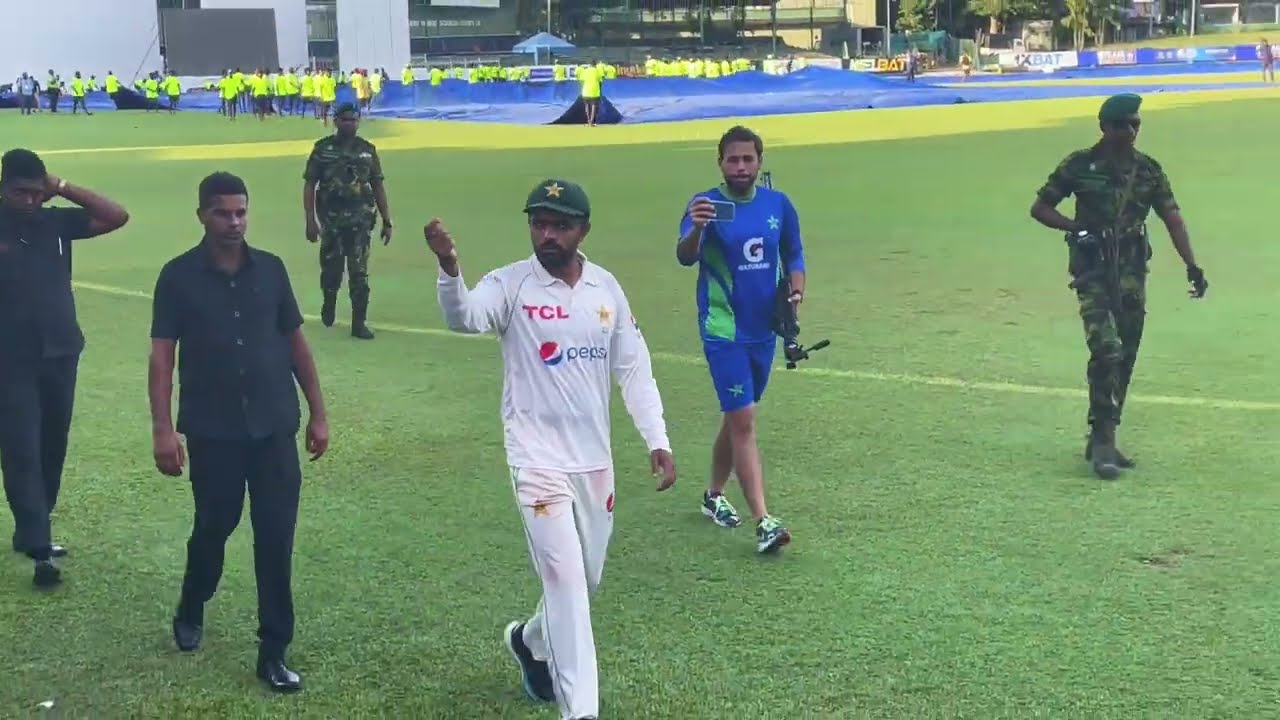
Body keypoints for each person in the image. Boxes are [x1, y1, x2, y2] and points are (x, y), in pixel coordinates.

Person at [426, 178, 676, 720]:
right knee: (564, 585)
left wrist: (656, 437)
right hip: (536, 460)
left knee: (585, 580)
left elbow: (632, 366)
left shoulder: (605, 288)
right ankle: (581, 710)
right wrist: (449, 269)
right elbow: (464, 316)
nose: (547, 234)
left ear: (583, 230)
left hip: (594, 462)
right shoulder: (511, 284)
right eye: (538, 223)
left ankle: (530, 641)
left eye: (559, 225)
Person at [148, 172, 329, 692]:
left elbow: (296, 345)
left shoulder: (270, 270)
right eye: (223, 213)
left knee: (275, 538)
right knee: (215, 526)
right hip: (213, 432)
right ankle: (192, 599)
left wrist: (318, 411)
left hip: (274, 428)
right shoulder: (177, 277)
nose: (234, 222)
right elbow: (163, 358)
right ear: (201, 214)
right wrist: (164, 429)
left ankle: (273, 650)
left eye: (241, 212)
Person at [1030, 93, 1207, 480]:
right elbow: (1041, 207)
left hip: (1131, 274)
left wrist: (1192, 265)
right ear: (1105, 127)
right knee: (1106, 348)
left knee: (1125, 354)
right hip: (1093, 271)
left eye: (1136, 124)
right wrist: (1075, 227)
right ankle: (1103, 438)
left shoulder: (1148, 171)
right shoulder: (1079, 165)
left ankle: (1103, 434)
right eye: (1123, 124)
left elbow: (1172, 218)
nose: (1131, 131)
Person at [0, 149, 129, 587]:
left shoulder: (57, 223)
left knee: (52, 445)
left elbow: (117, 215)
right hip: (9, 359)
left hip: (60, 351)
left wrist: (63, 187)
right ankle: (40, 549)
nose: (30, 201)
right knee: (20, 449)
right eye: (20, 193)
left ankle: (33, 528)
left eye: (37, 193)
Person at [675, 125, 803, 554]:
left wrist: (797, 293)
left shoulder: (778, 204)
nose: (741, 167)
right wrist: (695, 229)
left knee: (736, 418)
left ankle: (713, 496)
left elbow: (794, 254)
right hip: (723, 331)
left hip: (763, 332)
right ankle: (764, 520)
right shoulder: (706, 206)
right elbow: (685, 256)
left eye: (749, 159)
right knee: (745, 422)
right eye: (733, 159)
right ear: (720, 163)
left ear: (760, 161)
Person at [303, 102, 393, 340]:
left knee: (359, 274)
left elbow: (378, 185)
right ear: (336, 121)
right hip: (331, 222)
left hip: (361, 222)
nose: (349, 124)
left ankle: (358, 322)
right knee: (331, 270)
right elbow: (310, 184)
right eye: (344, 120)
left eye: (353, 120)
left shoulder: (367, 151)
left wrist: (387, 220)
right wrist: (310, 220)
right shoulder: (322, 150)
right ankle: (329, 303)